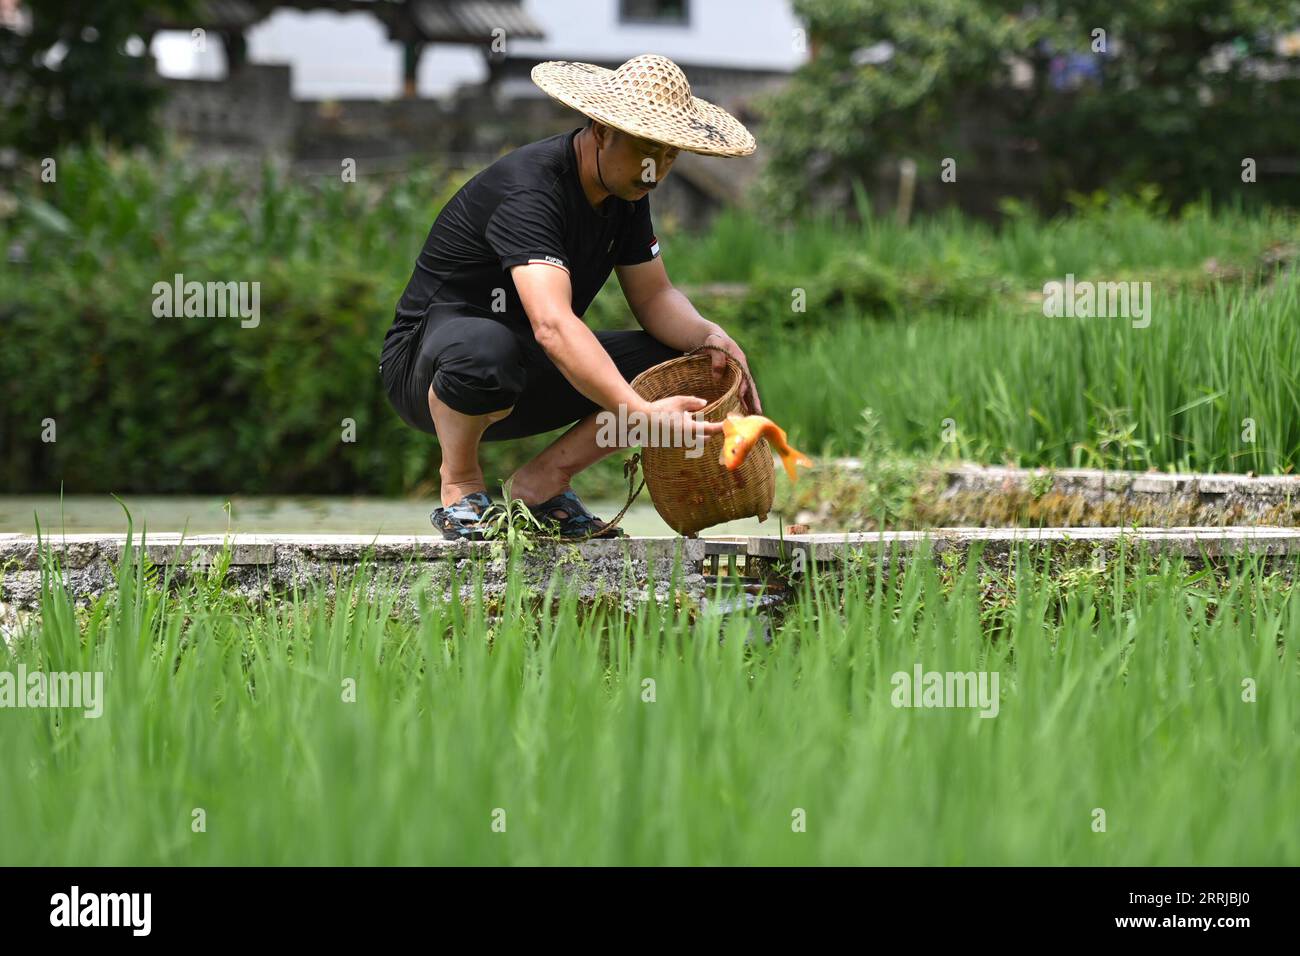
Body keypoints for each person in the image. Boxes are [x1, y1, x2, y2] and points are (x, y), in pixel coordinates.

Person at [378, 54, 762, 540]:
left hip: (528, 366)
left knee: (683, 360)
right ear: (601, 130)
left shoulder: (626, 191)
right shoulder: (531, 189)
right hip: (429, 368)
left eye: (669, 155)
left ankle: (543, 483)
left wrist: (711, 337)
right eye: (646, 148)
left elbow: (656, 296)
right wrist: (641, 414)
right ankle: (460, 482)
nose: (655, 170)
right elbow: (553, 325)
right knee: (485, 350)